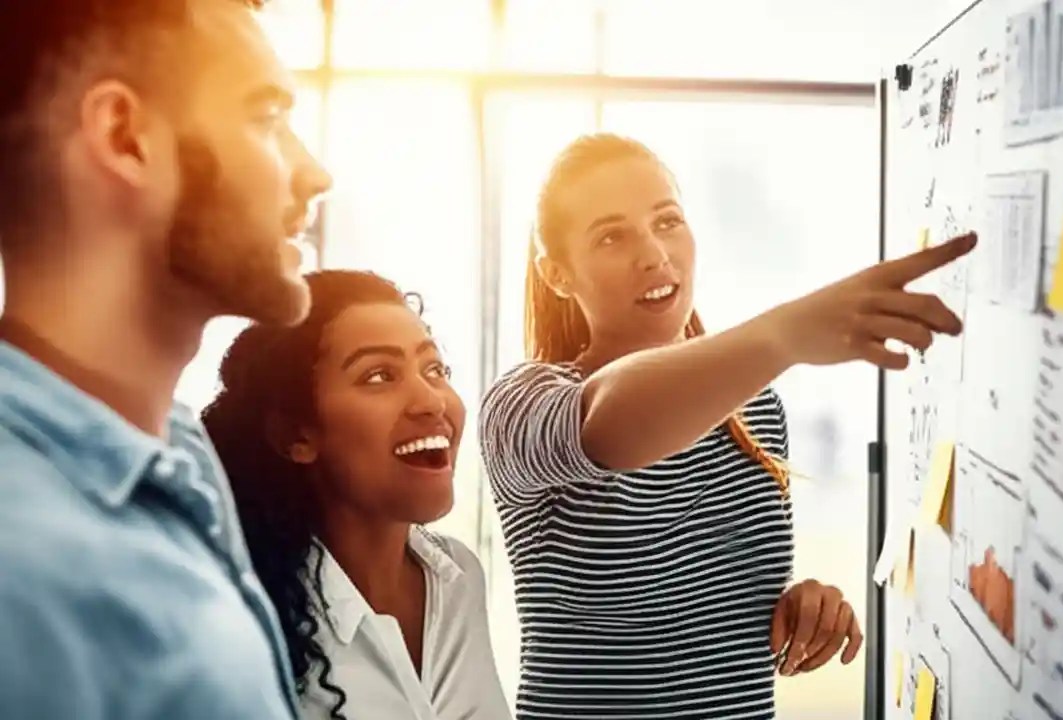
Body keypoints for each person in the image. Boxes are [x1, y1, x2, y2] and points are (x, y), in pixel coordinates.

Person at [479, 133, 976, 718]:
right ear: (558, 275)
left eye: (667, 221)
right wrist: (786, 332)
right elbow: (612, 424)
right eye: (612, 236)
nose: (653, 254)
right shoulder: (521, 403)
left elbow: (713, 619)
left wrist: (805, 607)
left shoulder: (757, 407)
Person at [0, 1, 331, 717]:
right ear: (127, 137)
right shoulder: (22, 573)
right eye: (266, 117)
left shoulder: (174, 448)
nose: (315, 174)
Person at [203, 270, 512, 720]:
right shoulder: (242, 617)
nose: (431, 401)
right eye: (379, 376)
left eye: (435, 369)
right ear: (295, 434)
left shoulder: (459, 577)